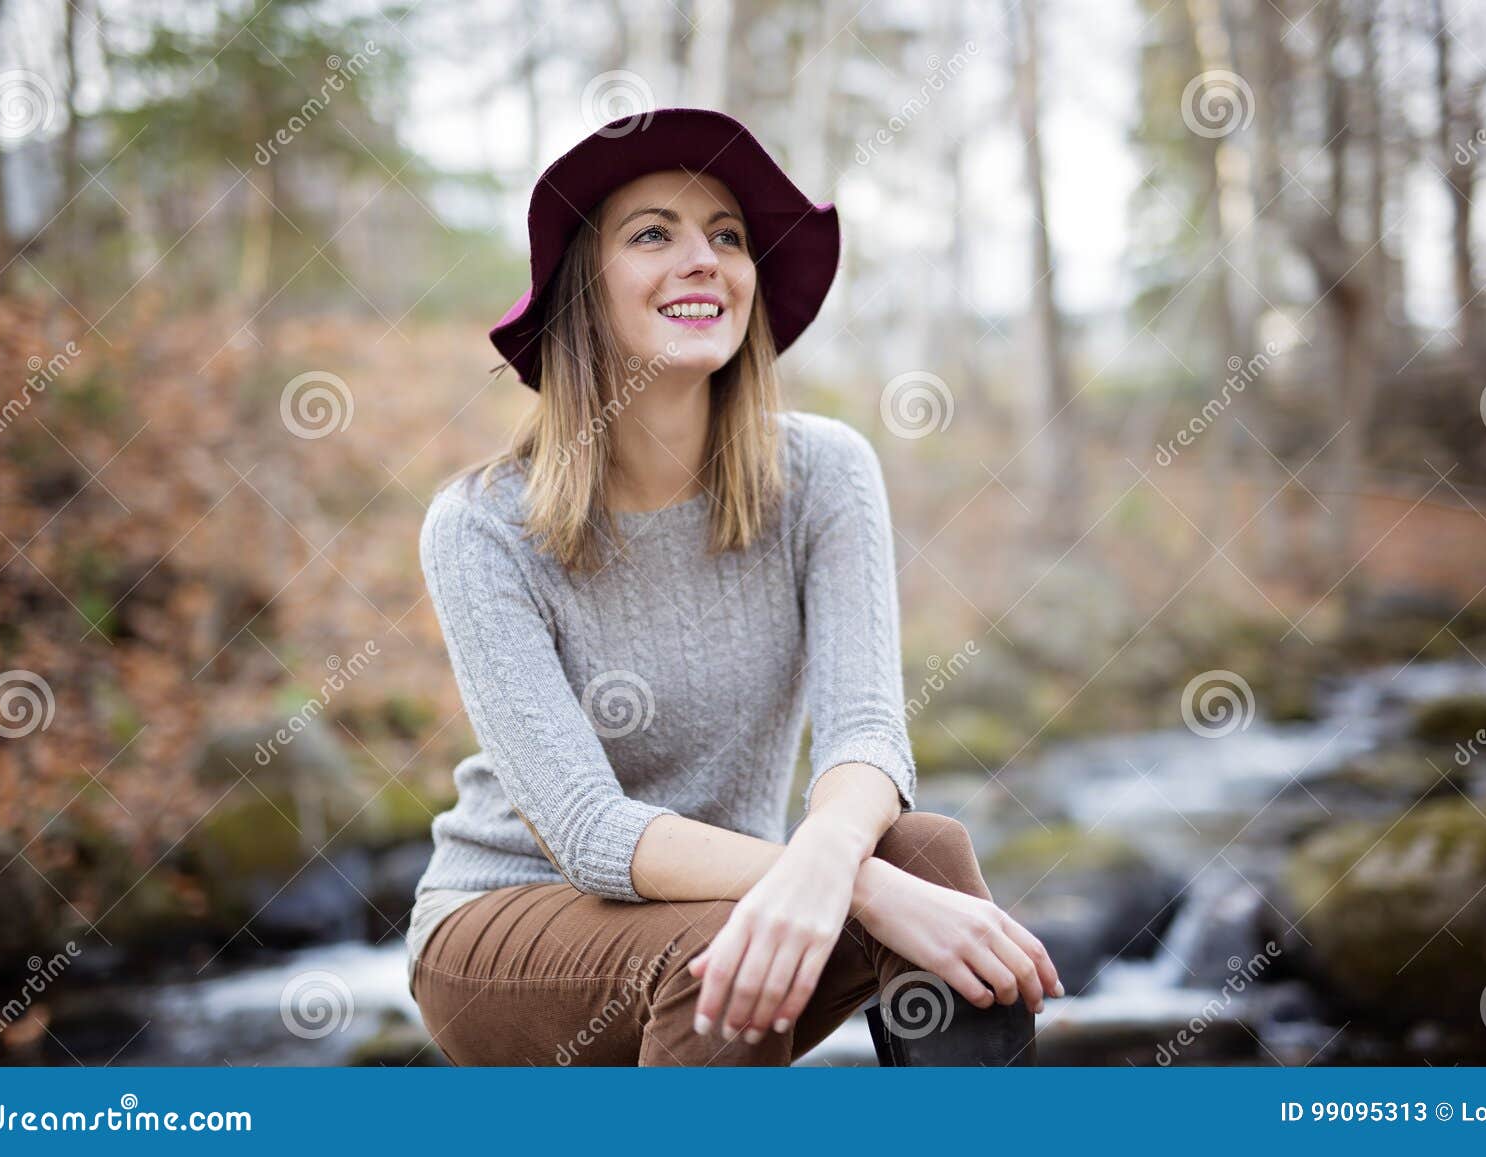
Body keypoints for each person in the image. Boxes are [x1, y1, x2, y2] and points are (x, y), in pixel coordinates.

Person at [406, 108, 1060, 1066]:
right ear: (584, 288)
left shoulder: (824, 473)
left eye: (727, 236)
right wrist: (855, 886)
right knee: (752, 935)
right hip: (509, 923)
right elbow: (588, 831)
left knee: (931, 850)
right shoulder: (483, 526)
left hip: (741, 895)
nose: (703, 258)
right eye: (652, 234)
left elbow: (866, 735)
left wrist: (838, 863)